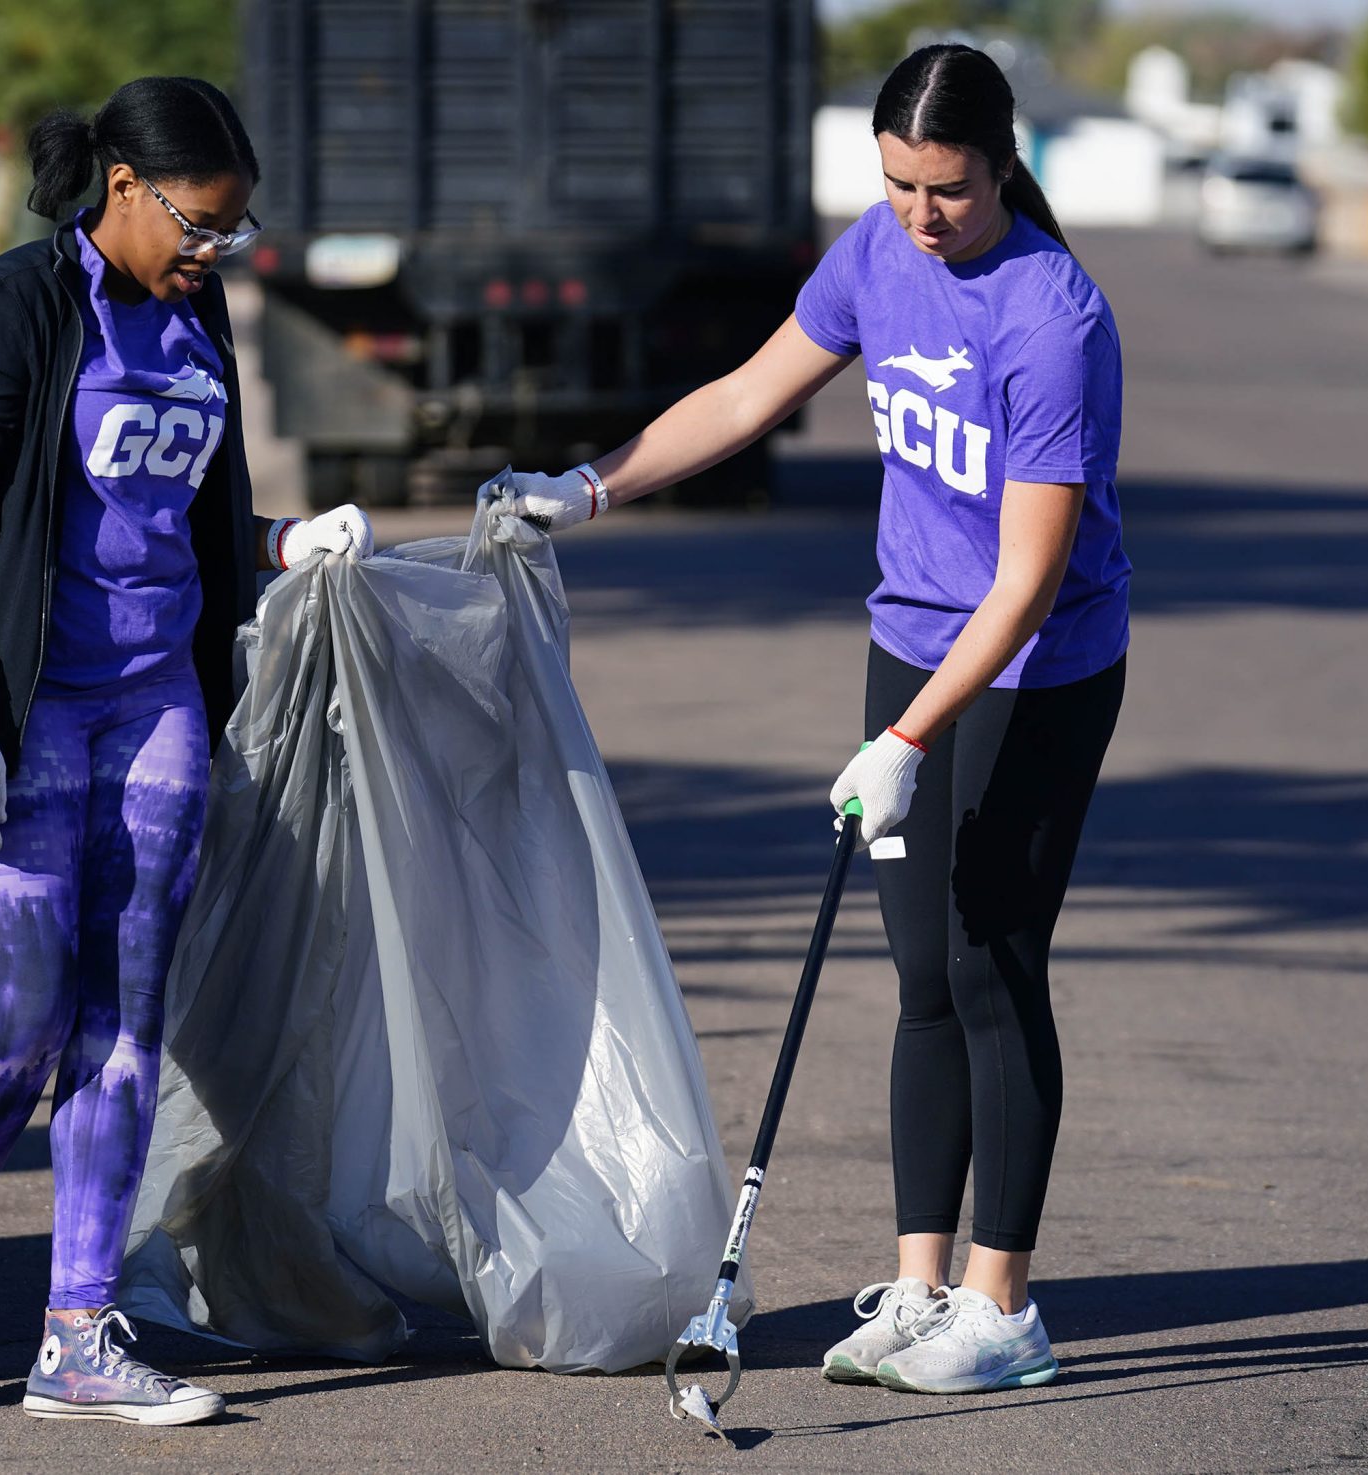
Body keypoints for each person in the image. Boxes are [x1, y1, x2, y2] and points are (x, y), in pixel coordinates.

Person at [480, 43, 1128, 1396]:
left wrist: (903, 745)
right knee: (920, 977)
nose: (919, 214)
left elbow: (1029, 581)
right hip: (910, 643)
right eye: (898, 183)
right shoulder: (875, 257)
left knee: (992, 965)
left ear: (1003, 168)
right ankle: (919, 1283)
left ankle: (1004, 1313)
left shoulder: (1051, 319)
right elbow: (746, 394)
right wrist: (590, 491)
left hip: (1033, 673)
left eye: (945, 188)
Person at [0, 75, 375, 1426]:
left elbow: (200, 503)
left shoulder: (194, 309)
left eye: (236, 233)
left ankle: (81, 1333)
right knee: (18, 1019)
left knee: (125, 1027)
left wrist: (281, 546)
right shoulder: (12, 304)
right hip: (18, 709)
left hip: (156, 705)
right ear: (127, 188)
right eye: (204, 224)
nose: (219, 252)